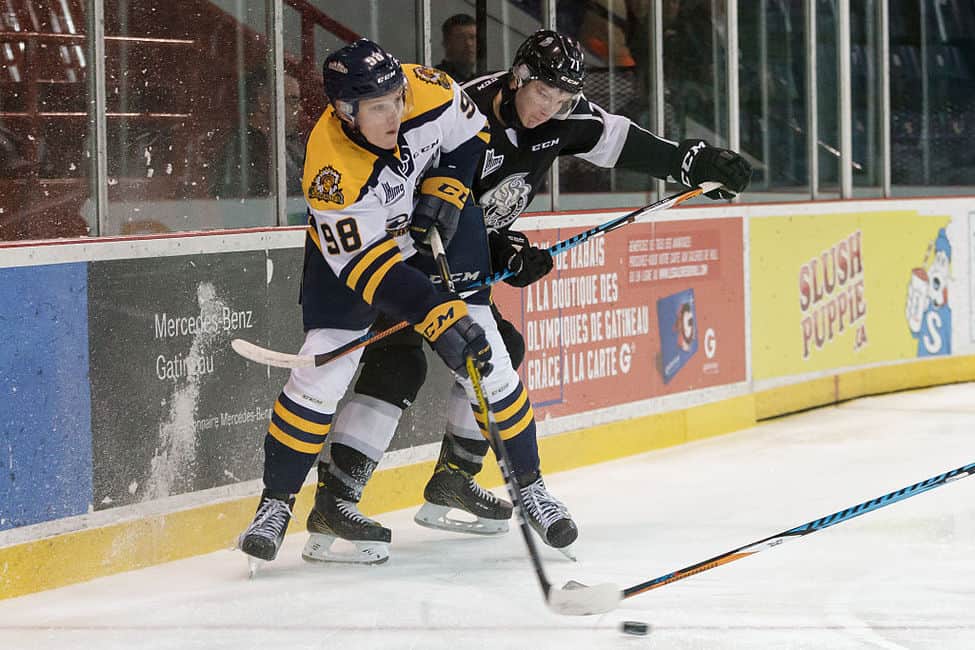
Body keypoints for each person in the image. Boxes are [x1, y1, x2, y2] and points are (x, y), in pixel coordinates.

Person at [344, 30, 752, 555]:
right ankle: (339, 497)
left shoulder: (564, 116)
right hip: (399, 253)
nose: (549, 110)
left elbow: (624, 141)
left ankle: (452, 477)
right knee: (399, 362)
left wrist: (694, 166)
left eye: (562, 101)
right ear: (518, 78)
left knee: (498, 351)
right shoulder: (462, 112)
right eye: (542, 95)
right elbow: (415, 196)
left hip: (463, 261)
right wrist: (498, 251)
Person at [237, 37, 536, 569]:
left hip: (419, 238)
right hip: (356, 259)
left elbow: (472, 136)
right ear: (344, 112)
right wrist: (434, 311)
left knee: (488, 350)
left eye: (396, 98)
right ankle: (275, 504)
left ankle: (521, 485)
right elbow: (366, 270)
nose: (394, 112)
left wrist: (445, 187)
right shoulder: (329, 170)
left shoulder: (427, 89)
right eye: (377, 107)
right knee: (325, 369)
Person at [213, 69, 306, 198]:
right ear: (263, 102)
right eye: (293, 100)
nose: (299, 108)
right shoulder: (242, 150)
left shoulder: (289, 143)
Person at [436, 14, 477, 83]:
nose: (469, 43)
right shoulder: (436, 79)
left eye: (472, 37)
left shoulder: (480, 82)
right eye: (461, 38)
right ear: (447, 43)